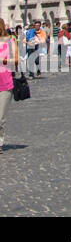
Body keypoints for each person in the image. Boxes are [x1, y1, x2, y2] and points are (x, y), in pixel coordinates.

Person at [0, 19, 17, 152]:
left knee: (0, 118)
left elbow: (15, 60)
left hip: (5, 83)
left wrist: (3, 60)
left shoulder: (10, 41)